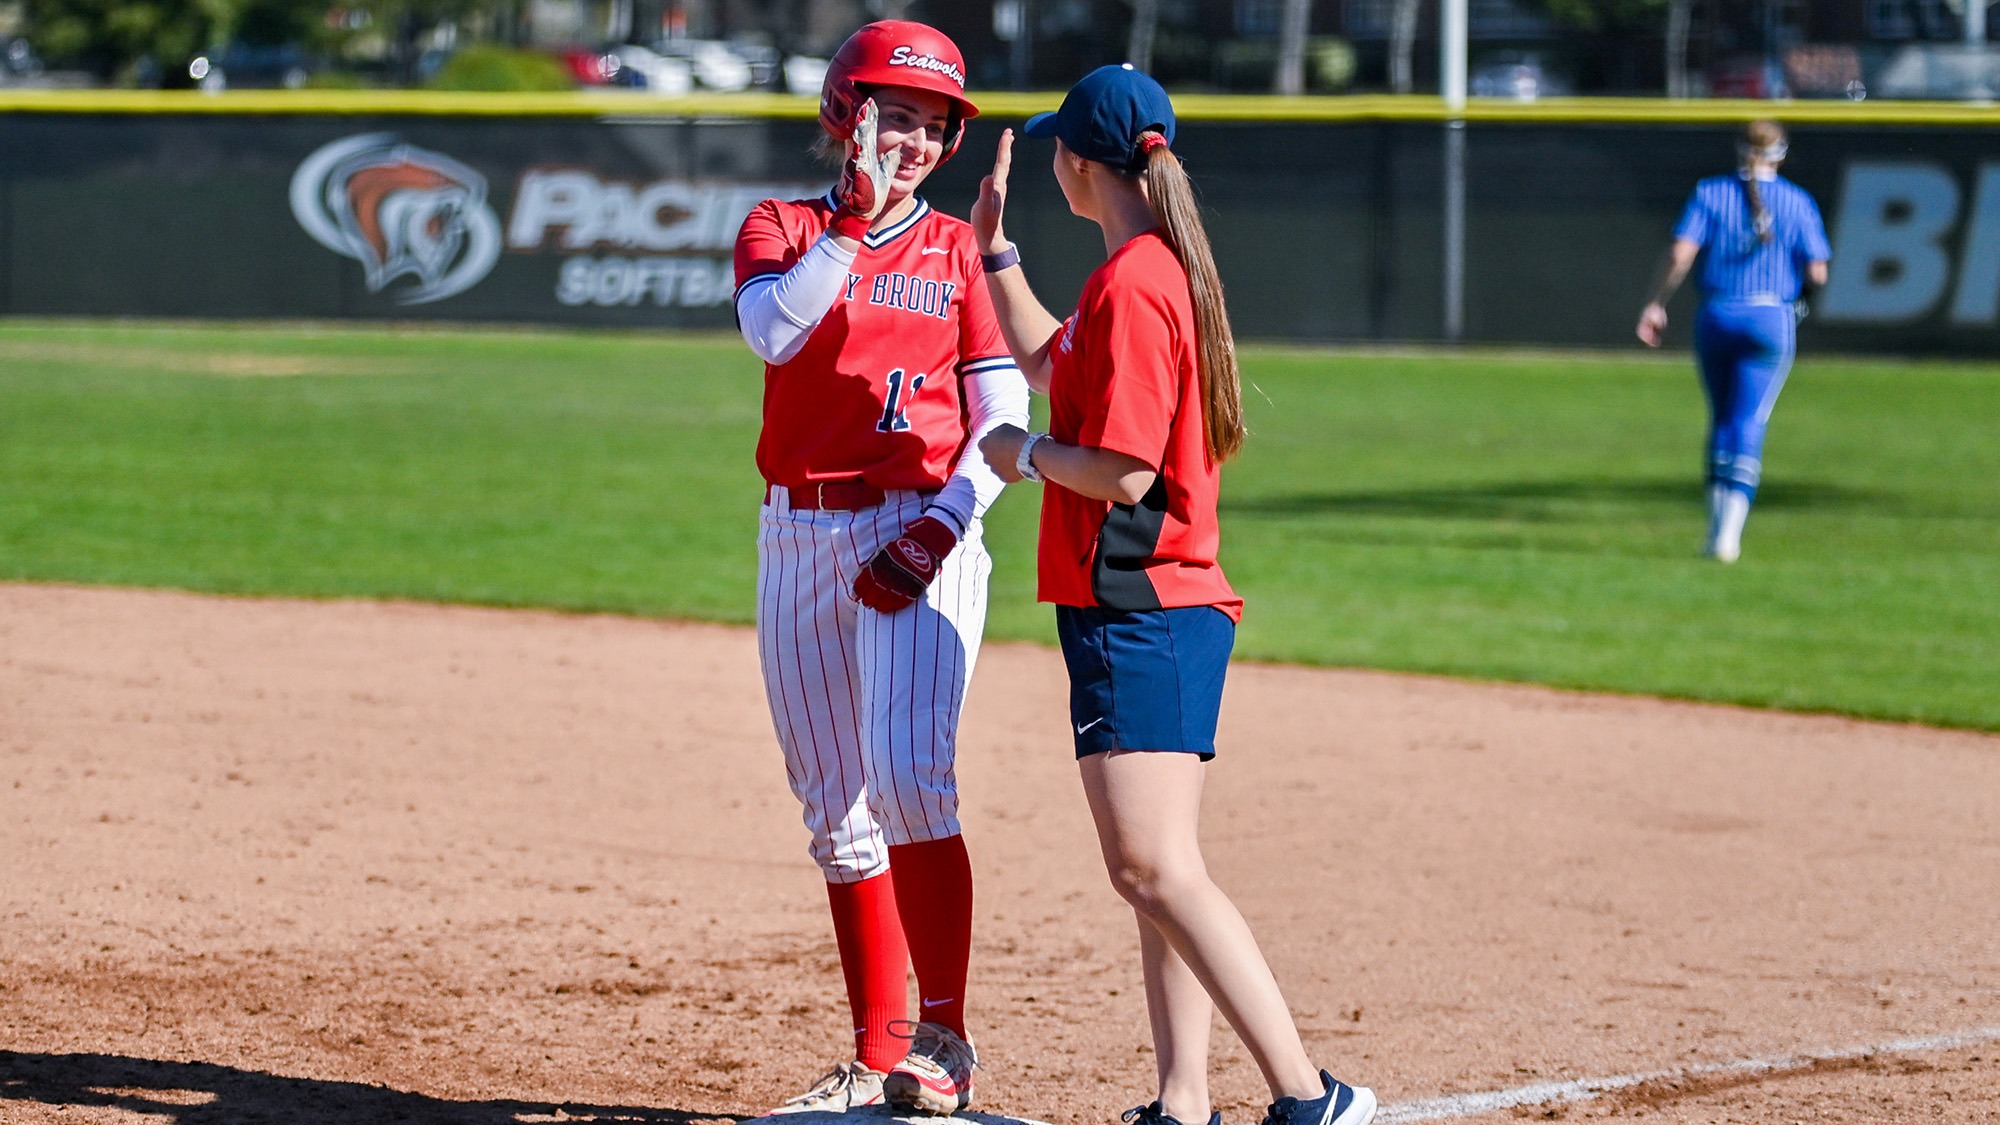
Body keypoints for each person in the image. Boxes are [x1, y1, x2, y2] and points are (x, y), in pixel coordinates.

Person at [973, 64, 1377, 1125]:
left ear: (1078, 162)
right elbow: (1047, 355)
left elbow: (1124, 469)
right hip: (1153, 604)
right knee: (1159, 873)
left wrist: (1019, 455)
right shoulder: (1141, 275)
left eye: (1059, 143)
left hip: (1140, 606)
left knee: (1149, 869)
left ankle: (1307, 1094)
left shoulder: (1135, 281)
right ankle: (1182, 1100)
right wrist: (994, 251)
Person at [731, 19, 1027, 1117]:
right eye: (888, 113)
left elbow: (1002, 408)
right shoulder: (784, 224)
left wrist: (949, 521)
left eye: (928, 124)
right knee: (833, 807)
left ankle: (942, 1040)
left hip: (924, 522)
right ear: (840, 114)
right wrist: (851, 229)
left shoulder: (957, 250)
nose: (907, 138)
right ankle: (875, 1053)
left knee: (909, 780)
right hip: (797, 532)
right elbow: (774, 331)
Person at [1636, 119, 1830, 563]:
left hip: (1718, 313)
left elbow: (1680, 254)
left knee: (1722, 418)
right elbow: (1817, 270)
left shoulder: (1711, 193)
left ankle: (1714, 530)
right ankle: (1728, 534)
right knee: (1748, 420)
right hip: (1769, 316)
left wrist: (1656, 302)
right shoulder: (1798, 202)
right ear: (1780, 154)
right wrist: (1801, 303)